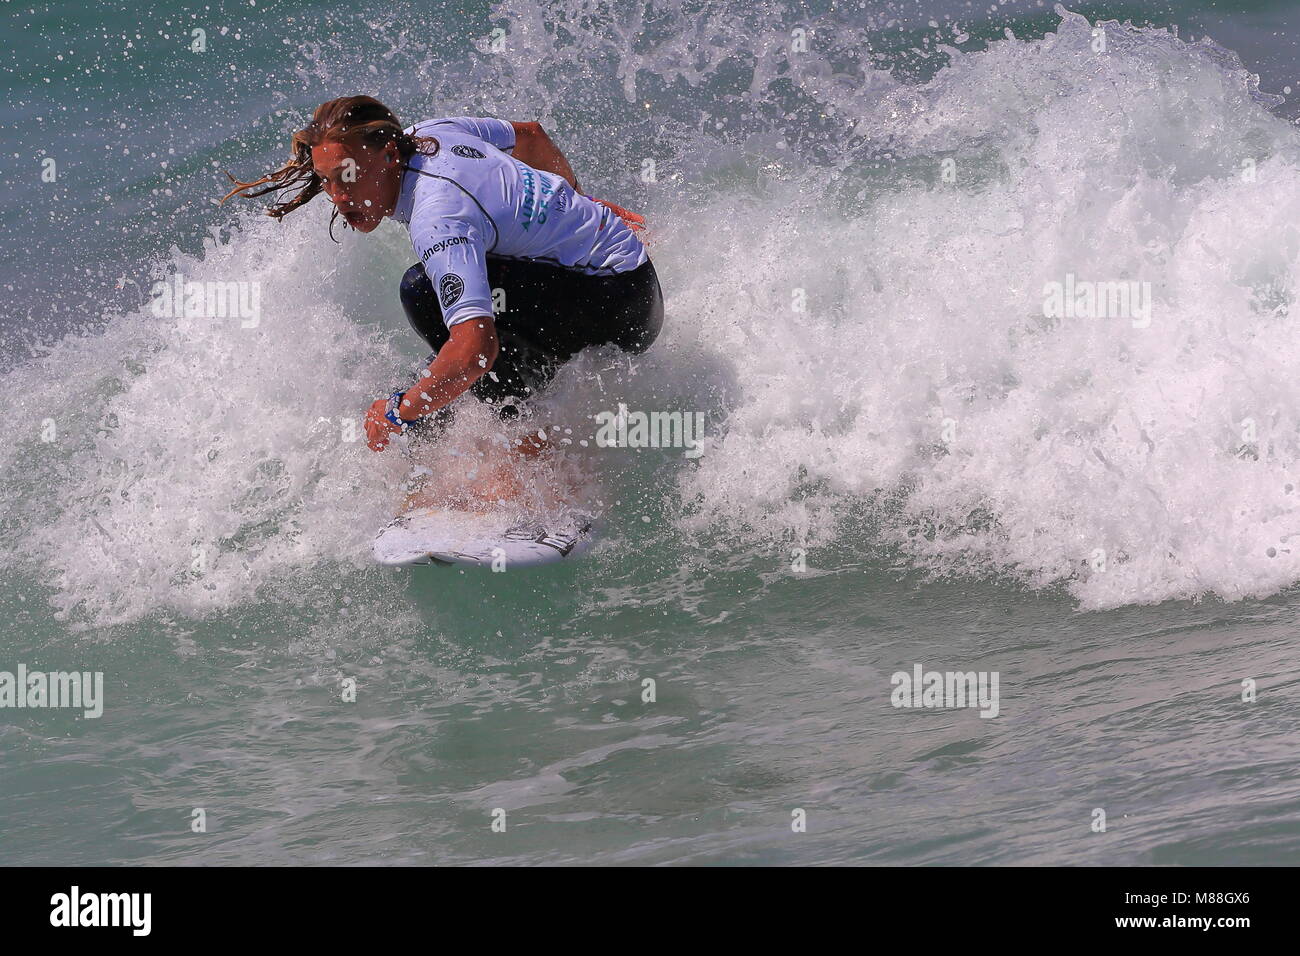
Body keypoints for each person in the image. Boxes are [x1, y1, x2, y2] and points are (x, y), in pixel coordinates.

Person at [221, 95, 663, 453]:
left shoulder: (438, 217)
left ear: (389, 153)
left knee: (423, 295)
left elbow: (475, 349)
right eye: (327, 181)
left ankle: (529, 446)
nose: (338, 196)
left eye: (348, 176)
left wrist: (400, 411)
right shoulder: (430, 134)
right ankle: (516, 394)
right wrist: (580, 208)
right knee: (442, 342)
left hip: (618, 313)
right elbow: (530, 136)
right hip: (629, 277)